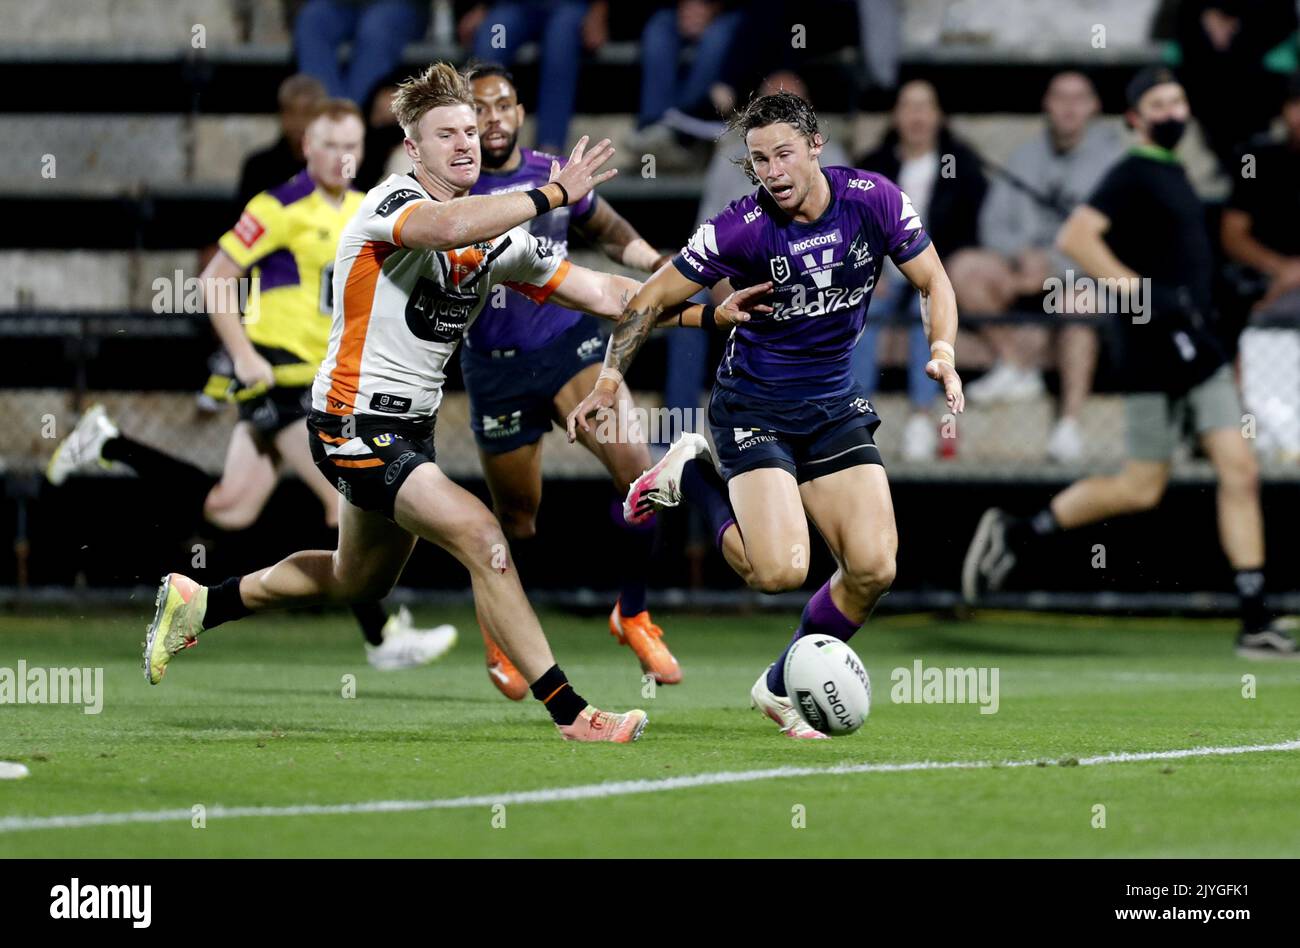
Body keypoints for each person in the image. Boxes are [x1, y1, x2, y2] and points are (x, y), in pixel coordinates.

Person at [141, 64, 766, 742]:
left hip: (408, 430)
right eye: (447, 134)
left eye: (471, 131)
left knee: (357, 581)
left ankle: (199, 602)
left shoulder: (498, 237)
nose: (467, 143)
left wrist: (707, 313)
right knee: (483, 535)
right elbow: (443, 229)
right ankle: (573, 713)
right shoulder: (389, 204)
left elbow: (608, 294)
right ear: (414, 150)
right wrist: (552, 191)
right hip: (354, 421)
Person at [566, 90, 965, 738]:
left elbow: (934, 281)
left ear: (815, 146)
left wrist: (942, 351)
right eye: (759, 160)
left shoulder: (874, 198)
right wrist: (611, 377)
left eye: (784, 153)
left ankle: (780, 685)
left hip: (833, 402)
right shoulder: (741, 226)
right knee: (778, 570)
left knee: (874, 569)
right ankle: (693, 476)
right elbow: (649, 297)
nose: (773, 171)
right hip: (755, 405)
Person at [48, 100, 456, 671]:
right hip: (281, 370)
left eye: (352, 145)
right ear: (306, 149)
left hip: (322, 375)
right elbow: (216, 277)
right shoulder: (279, 205)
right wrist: (241, 355)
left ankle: (109, 442)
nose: (344, 156)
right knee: (341, 501)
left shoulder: (369, 206)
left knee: (229, 508)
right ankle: (382, 635)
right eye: (331, 145)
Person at [962, 67, 1297, 659]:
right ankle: (1021, 531)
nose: (1173, 111)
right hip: (1155, 345)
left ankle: (1253, 621)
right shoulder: (1134, 170)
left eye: (1179, 100)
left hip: (1191, 342)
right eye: (1159, 103)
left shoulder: (1172, 173)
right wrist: (1142, 293)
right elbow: (1077, 237)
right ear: (1137, 118)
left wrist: (1218, 288)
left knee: (1210, 474)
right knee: (1156, 484)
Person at [465, 63, 681, 698]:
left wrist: (656, 263)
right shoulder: (452, 188)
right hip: (495, 372)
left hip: (569, 348)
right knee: (518, 520)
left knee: (642, 475)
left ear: (520, 110)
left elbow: (607, 232)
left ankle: (634, 613)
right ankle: (503, 628)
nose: (494, 117)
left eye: (504, 104)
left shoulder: (555, 173)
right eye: (480, 108)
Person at [948, 71, 1125, 462]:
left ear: (1094, 106)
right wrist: (1020, 257)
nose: (1068, 107)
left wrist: (1052, 267)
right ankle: (1013, 364)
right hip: (1023, 270)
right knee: (963, 268)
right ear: (1046, 104)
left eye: (1079, 98)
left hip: (1083, 278)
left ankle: (1069, 424)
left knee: (1077, 301)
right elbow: (992, 224)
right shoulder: (1024, 156)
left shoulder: (1113, 161)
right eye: (1060, 97)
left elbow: (1114, 238)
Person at [856, 80, 984, 460]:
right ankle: (856, 417)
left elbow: (969, 234)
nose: (916, 116)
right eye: (908, 106)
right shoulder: (871, 165)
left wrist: (931, 273)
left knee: (924, 312)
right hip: (882, 276)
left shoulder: (961, 163)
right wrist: (869, 268)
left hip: (932, 273)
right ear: (895, 115)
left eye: (925, 106)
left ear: (939, 115)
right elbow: (853, 227)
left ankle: (920, 416)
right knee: (863, 313)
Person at [464, 1, 608, 154]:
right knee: (491, 45)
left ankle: (549, 150)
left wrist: (598, 12)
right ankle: (479, 142)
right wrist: (482, 8)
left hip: (567, 8)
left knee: (559, 49)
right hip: (515, 9)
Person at [628, 1, 747, 168]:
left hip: (729, 12)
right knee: (658, 28)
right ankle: (654, 128)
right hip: (675, 9)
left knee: (718, 36)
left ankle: (683, 136)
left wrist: (712, 7)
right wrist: (685, 5)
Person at [1221, 71, 1300, 316]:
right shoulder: (1254, 160)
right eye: (1296, 104)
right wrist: (1282, 269)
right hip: (1266, 280)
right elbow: (1232, 235)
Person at [295, 0, 430, 108]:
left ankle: (353, 119)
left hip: (398, 6)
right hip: (341, 5)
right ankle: (325, 114)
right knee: (312, 21)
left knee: (375, 31)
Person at [237, 75, 327, 208]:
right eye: (290, 111)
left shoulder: (335, 167)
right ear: (280, 114)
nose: (298, 121)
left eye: (307, 112)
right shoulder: (257, 167)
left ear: (321, 117)